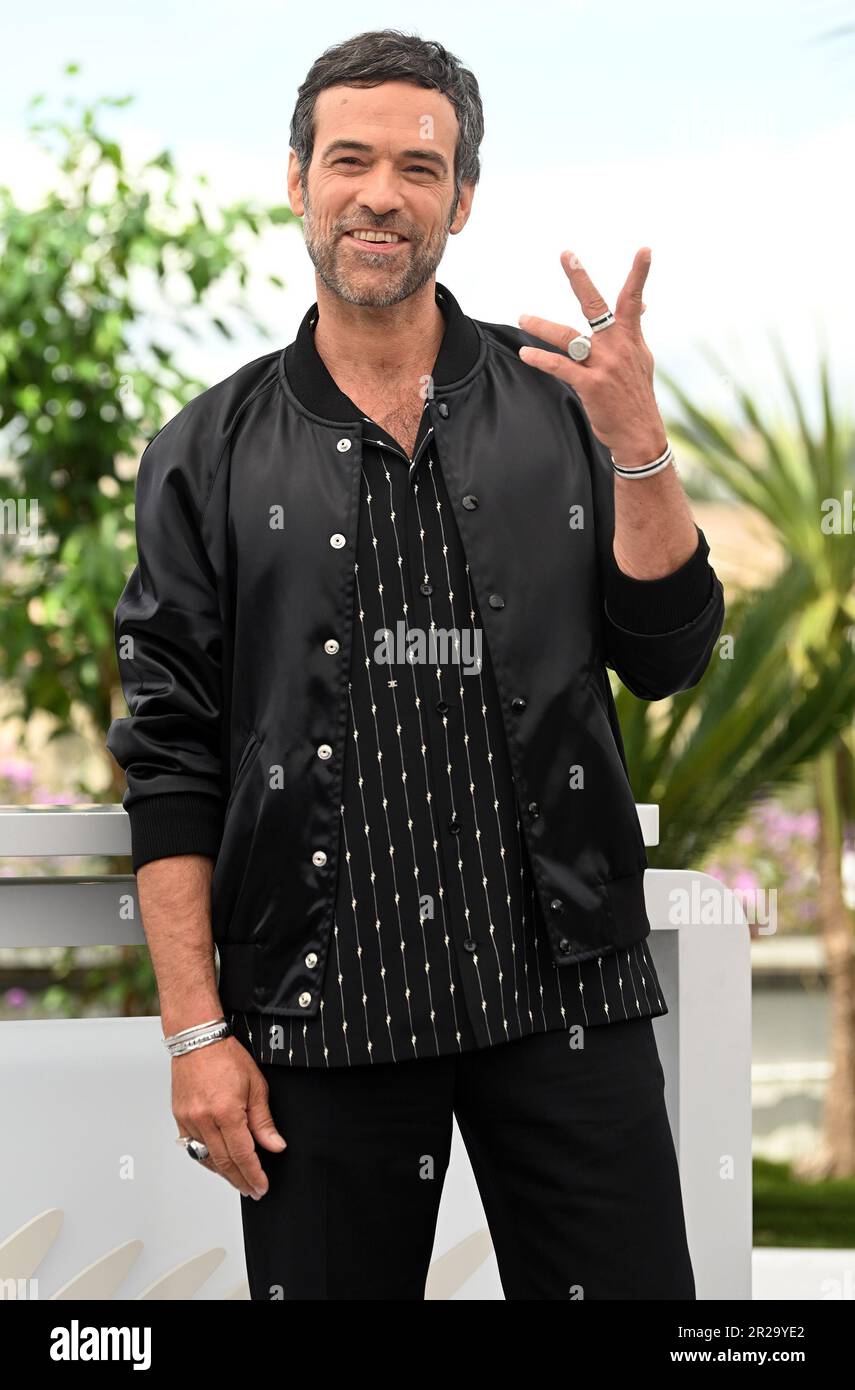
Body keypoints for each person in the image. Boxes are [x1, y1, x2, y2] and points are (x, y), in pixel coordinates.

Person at [107, 28, 725, 1301]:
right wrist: (195, 1030)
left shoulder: (564, 404)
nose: (381, 193)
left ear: (462, 198)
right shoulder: (204, 451)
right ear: (298, 181)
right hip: (320, 1013)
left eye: (418, 166)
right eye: (349, 159)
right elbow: (169, 756)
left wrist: (641, 445)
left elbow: (668, 652)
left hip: (568, 999)